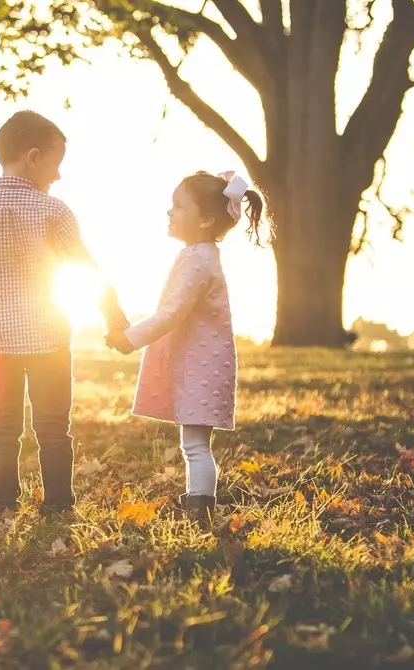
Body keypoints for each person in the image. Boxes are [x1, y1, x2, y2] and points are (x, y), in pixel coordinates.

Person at [0, 110, 128, 516]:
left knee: (1, 427)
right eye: (56, 163)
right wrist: (114, 318)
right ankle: (58, 505)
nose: (59, 175)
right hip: (48, 338)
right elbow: (87, 271)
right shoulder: (54, 211)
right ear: (33, 157)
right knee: (52, 428)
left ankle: (1, 504)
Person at [106, 171, 268, 526]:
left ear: (206, 219)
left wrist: (130, 338)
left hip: (201, 367)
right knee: (194, 445)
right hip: (199, 364)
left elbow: (172, 313)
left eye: (179, 207)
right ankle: (199, 503)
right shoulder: (199, 255)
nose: (170, 212)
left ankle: (200, 511)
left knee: (195, 446)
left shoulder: (197, 260)